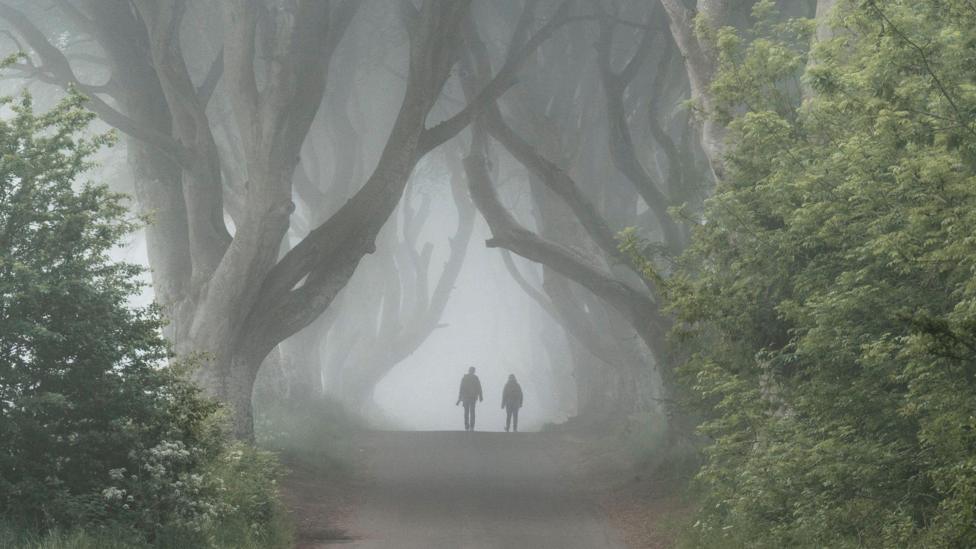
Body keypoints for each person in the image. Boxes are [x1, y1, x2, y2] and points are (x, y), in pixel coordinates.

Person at [456, 366, 483, 431]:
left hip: (467, 398)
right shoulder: (475, 378)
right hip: (472, 398)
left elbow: (461, 389)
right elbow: (479, 388)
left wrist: (459, 399)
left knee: (467, 412)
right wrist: (480, 396)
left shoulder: (465, 378)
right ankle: (471, 426)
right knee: (471, 412)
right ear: (473, 371)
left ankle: (467, 426)